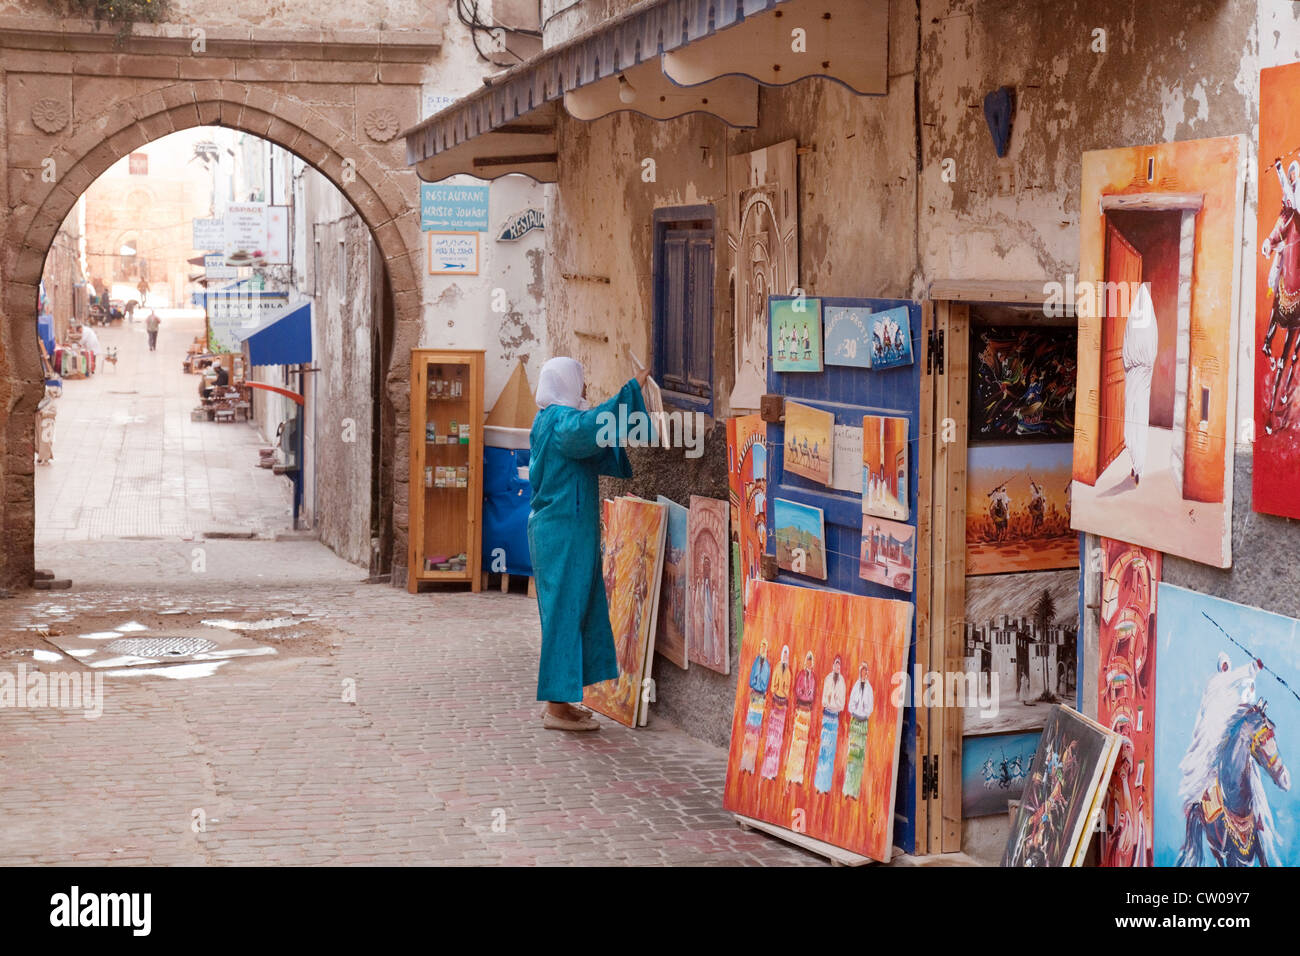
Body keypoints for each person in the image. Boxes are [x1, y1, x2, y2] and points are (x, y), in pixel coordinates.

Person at [529, 356, 650, 732]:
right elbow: (592, 426)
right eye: (580, 382)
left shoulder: (552, 419)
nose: (584, 388)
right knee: (565, 614)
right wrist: (633, 389)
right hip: (563, 534)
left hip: (563, 532)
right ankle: (555, 707)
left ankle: (563, 702)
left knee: (573, 611)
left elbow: (591, 438)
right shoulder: (562, 424)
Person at [1122, 283, 1158, 486]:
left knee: (1134, 417)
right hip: (1140, 374)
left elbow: (1126, 350)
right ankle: (1137, 464)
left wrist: (1130, 365)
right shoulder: (1151, 325)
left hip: (1138, 374)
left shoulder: (1135, 323)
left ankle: (1137, 464)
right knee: (1138, 417)